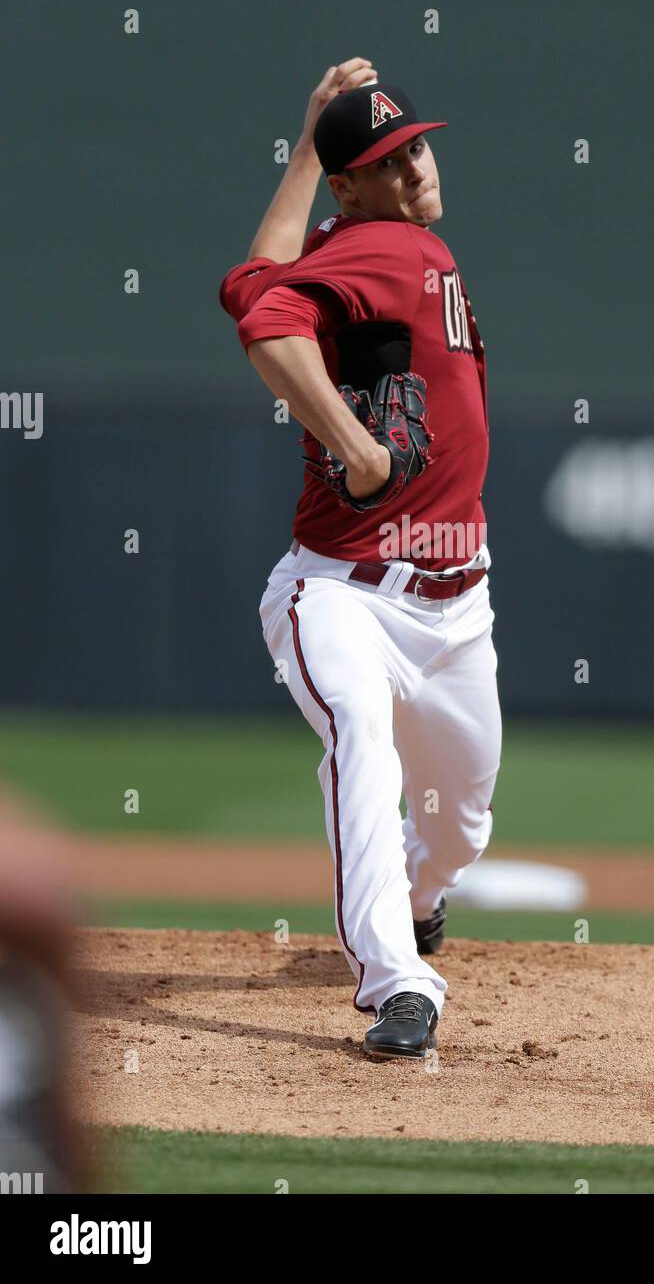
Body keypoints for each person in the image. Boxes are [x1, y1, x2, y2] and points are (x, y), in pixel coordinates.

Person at [219, 59, 502, 1059]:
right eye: (386, 160)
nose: (416, 168)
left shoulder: (359, 240)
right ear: (353, 190)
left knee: (462, 825)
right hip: (341, 592)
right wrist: (356, 444)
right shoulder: (391, 249)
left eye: (415, 146)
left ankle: (419, 905)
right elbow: (265, 320)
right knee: (360, 742)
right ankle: (397, 985)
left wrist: (309, 142)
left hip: (455, 608)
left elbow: (252, 280)